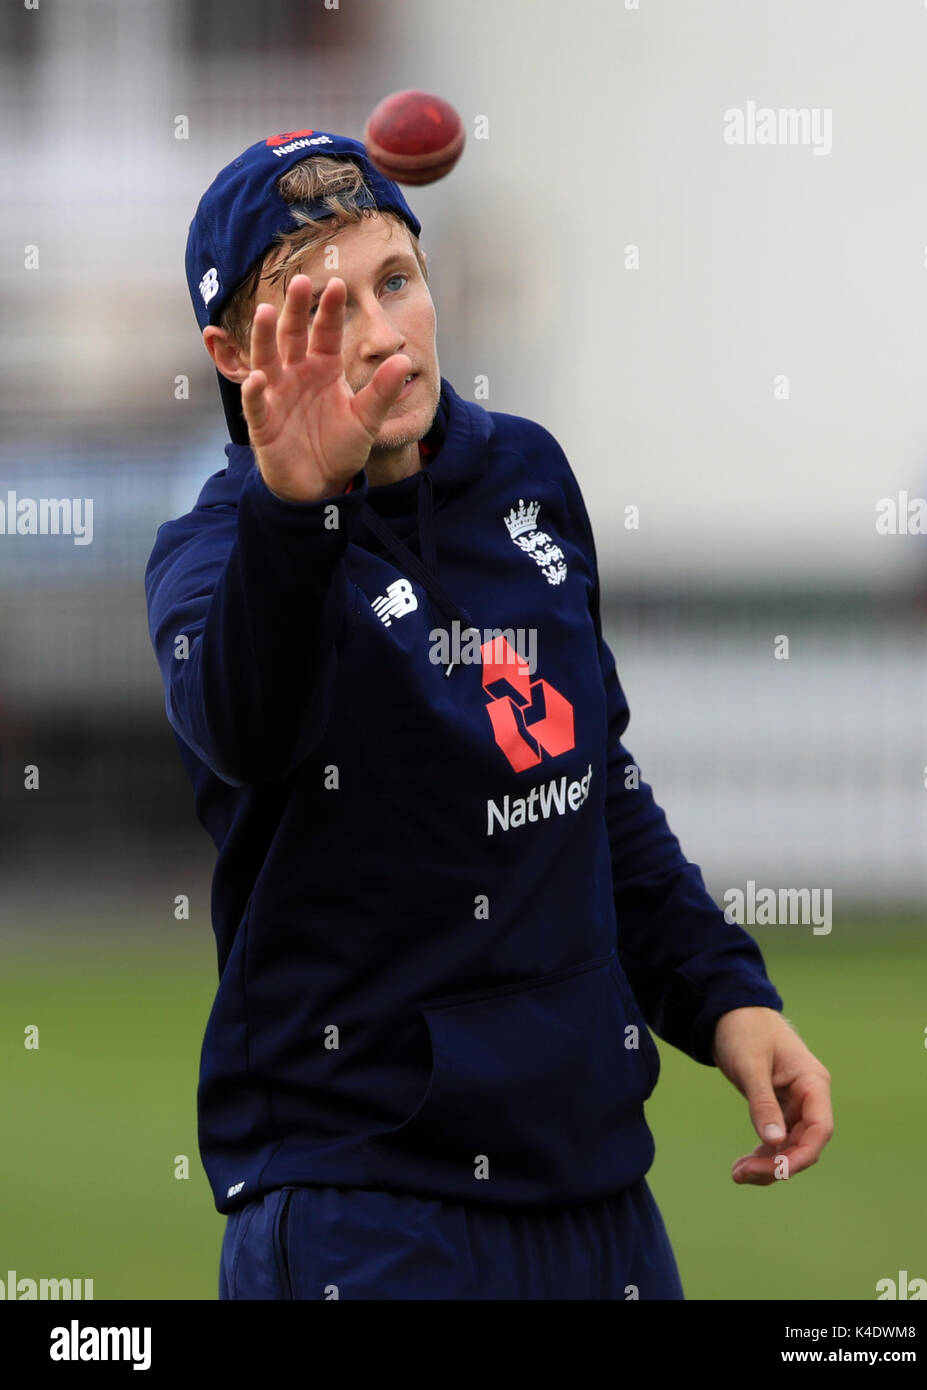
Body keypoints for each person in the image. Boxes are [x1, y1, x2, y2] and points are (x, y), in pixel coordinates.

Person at [144, 129, 833, 1301]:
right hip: (363, 1211)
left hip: (597, 1198)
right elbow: (244, 727)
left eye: (395, 281)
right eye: (320, 310)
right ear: (230, 353)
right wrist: (296, 512)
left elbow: (588, 783)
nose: (378, 335)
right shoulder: (216, 557)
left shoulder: (527, 478)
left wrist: (722, 993)